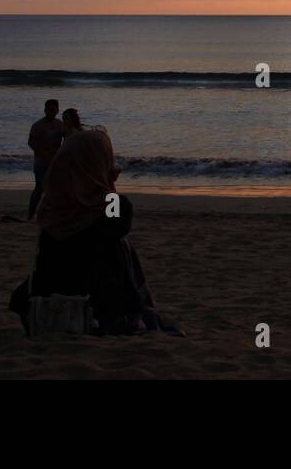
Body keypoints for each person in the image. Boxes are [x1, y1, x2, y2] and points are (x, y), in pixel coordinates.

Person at [13, 123, 173, 334]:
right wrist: (108, 184)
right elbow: (117, 228)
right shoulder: (115, 205)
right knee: (121, 249)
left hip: (47, 304)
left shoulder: (50, 204)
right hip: (97, 306)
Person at [27, 99, 64, 220]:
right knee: (40, 188)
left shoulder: (60, 124)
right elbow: (31, 142)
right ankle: (31, 214)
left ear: (57, 110)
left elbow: (68, 137)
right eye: (49, 109)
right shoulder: (38, 125)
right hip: (41, 163)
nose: (51, 111)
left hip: (55, 163)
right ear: (45, 110)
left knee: (55, 189)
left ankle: (51, 214)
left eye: (54, 109)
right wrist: (43, 154)